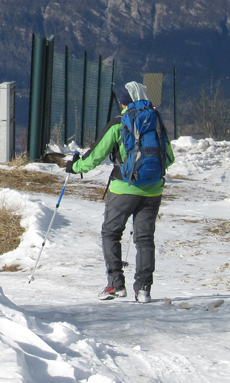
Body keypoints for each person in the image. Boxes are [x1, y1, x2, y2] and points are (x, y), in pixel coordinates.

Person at [66, 81, 174, 303]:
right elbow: (169, 158)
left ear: (123, 103)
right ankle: (143, 289)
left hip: (123, 189)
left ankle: (116, 284)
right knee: (145, 239)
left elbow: (94, 156)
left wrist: (74, 167)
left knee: (111, 233)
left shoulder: (119, 124)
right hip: (153, 190)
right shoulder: (156, 122)